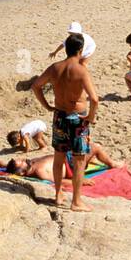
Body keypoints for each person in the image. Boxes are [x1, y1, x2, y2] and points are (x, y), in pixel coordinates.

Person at [30, 33, 100, 211]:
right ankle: (76, 201)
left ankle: (58, 194)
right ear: (80, 50)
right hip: (77, 119)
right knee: (78, 159)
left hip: (60, 115)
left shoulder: (55, 68)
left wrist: (47, 106)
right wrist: (91, 116)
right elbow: (95, 99)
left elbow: (36, 85)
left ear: (66, 49)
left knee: (59, 156)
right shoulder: (81, 70)